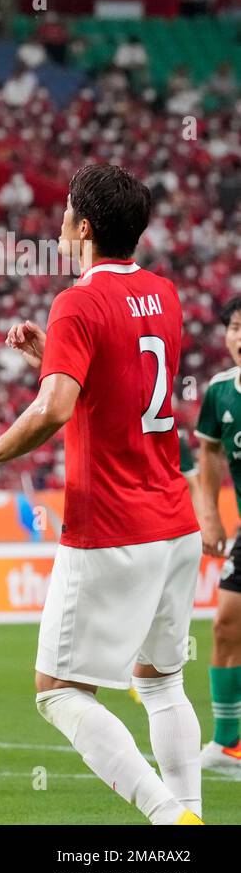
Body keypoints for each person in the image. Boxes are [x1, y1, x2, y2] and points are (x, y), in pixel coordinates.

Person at [0, 163, 203, 824]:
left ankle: (166, 815)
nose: (59, 223)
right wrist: (54, 355)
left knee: (59, 692)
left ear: (84, 226)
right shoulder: (166, 293)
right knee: (162, 682)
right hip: (175, 520)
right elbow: (123, 385)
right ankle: (190, 818)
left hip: (114, 524)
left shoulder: (77, 302)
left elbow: (53, 410)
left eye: (65, 212)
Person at [190, 296, 241, 775]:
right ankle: (228, 745)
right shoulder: (221, 391)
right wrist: (209, 512)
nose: (239, 337)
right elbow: (208, 454)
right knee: (226, 622)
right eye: (234, 328)